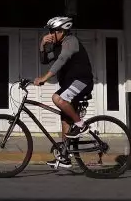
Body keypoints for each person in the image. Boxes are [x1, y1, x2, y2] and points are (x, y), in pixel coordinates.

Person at [35, 15, 94, 170]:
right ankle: (65, 156)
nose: (50, 34)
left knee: (57, 98)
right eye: (50, 31)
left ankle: (81, 125)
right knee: (65, 121)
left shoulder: (71, 42)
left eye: (53, 31)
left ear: (62, 31)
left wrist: (44, 78)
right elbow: (45, 60)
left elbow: (61, 61)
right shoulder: (58, 45)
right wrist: (42, 45)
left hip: (82, 82)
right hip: (70, 84)